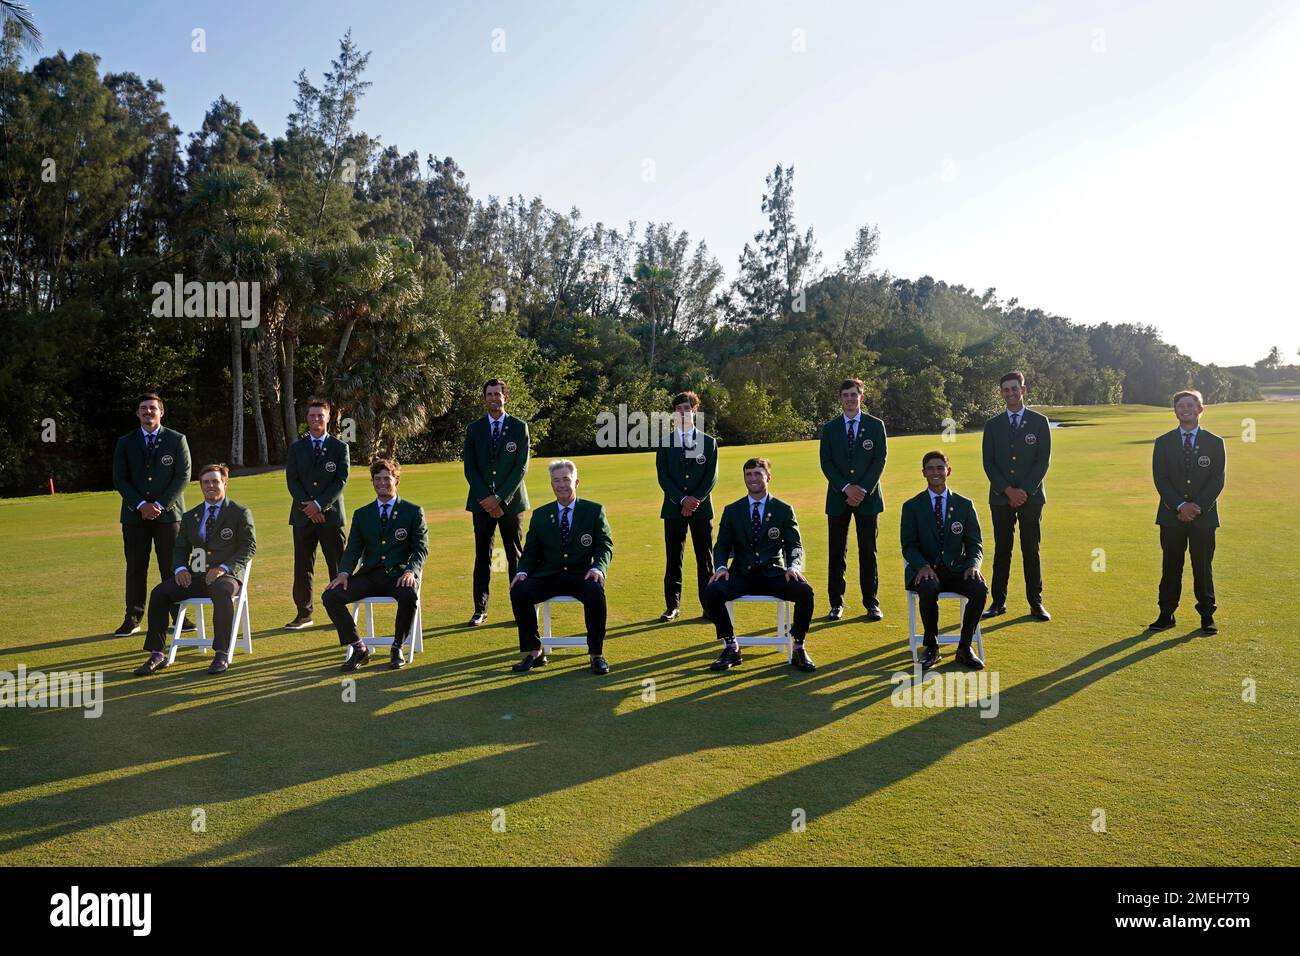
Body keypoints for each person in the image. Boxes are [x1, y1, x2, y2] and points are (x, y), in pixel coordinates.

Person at [133, 464, 256, 676]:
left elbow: (249, 547)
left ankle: (221, 653)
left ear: (224, 483)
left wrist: (223, 569)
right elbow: (180, 547)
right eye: (206, 482)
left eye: (215, 481)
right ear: (200, 486)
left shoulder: (239, 512)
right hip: (196, 576)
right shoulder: (191, 516)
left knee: (221, 591)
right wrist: (180, 568)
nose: (210, 486)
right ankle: (157, 653)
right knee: (160, 593)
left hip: (226, 577)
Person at [704, 458, 817, 673]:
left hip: (774, 574)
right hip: (741, 574)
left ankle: (799, 647)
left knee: (805, 592)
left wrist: (794, 566)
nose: (753, 478)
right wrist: (720, 567)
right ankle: (731, 646)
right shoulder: (732, 510)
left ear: (768, 477)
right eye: (748, 474)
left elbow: (795, 544)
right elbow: (721, 546)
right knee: (712, 591)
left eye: (757, 473)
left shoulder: (783, 509)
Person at [509, 460, 613, 675]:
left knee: (595, 592)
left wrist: (599, 568)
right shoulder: (540, 514)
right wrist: (522, 571)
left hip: (581, 575)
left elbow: (604, 546)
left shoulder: (594, 511)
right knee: (519, 590)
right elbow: (531, 551)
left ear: (576, 482)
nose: (561, 485)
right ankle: (535, 652)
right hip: (548, 576)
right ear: (551, 485)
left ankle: (596, 654)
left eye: (566, 479)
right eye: (556, 480)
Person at [322, 459, 428, 671]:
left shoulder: (413, 511)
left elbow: (421, 549)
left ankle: (397, 647)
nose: (381, 483)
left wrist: (411, 571)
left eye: (386, 478)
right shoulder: (363, 514)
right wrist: (343, 573)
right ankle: (359, 649)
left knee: (408, 595)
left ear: (396, 480)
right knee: (330, 596)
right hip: (369, 576)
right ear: (372, 482)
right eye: (377, 479)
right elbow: (353, 549)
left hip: (398, 575)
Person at [112, 392, 192, 638]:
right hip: (134, 517)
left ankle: (179, 616)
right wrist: (141, 505)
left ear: (161, 412)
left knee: (172, 567)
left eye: (153, 408)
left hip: (168, 516)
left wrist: (159, 504)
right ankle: (133, 618)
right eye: (144, 408)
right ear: (137, 413)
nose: (148, 412)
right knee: (136, 567)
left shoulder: (177, 439)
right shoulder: (125, 442)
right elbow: (120, 479)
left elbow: (183, 476)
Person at [900, 451, 987, 670]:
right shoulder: (912, 506)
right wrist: (922, 566)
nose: (936, 472)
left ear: (948, 470)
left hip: (957, 569)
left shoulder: (964, 505)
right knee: (928, 589)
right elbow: (908, 545)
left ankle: (964, 648)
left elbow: (975, 543)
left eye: (940, 468)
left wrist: (973, 565)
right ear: (923, 473)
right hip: (926, 570)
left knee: (979, 589)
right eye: (930, 468)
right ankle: (932, 647)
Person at [1149, 389, 1225, 634]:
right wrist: (1181, 507)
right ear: (1175, 411)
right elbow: (1161, 479)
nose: (1186, 409)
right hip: (1172, 517)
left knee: (1203, 567)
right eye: (1181, 406)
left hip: (1204, 518)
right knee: (1171, 566)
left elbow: (1217, 481)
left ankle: (1206, 616)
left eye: (1191, 405)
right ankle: (1166, 614)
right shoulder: (1163, 442)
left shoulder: (1215, 442)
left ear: (1200, 409)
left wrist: (1196, 507)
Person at [981, 371, 1052, 621]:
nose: (1011, 393)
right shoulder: (992, 425)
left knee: (1031, 549)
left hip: (1031, 498)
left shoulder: (1039, 422)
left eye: (1015, 388)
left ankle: (1036, 603)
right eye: (1006, 390)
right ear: (1001, 393)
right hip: (1001, 498)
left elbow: (1042, 461)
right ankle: (998, 602)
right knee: (1002, 550)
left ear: (1024, 390)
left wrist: (1024, 491)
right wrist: (1008, 490)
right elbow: (988, 462)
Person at [464, 378, 531, 626]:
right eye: (489, 394)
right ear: (485, 398)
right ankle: (480, 609)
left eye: (498, 394)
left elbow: (520, 468)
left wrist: (500, 498)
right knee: (482, 555)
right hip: (481, 504)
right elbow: (470, 468)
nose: (494, 398)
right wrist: (487, 500)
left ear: (506, 397)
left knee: (515, 556)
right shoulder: (474, 429)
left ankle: (520, 608)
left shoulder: (519, 427)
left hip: (511, 504)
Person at [819, 378, 887, 621]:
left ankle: (871, 603)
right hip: (839, 498)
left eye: (853, 395)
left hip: (868, 499)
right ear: (840, 398)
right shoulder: (830, 428)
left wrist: (862, 490)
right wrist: (847, 488)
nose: (849, 399)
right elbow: (826, 462)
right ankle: (836, 603)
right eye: (845, 395)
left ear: (861, 397)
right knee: (837, 552)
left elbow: (879, 461)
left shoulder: (876, 425)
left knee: (869, 551)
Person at [284, 398, 350, 629]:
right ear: (307, 418)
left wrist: (320, 505)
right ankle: (304, 614)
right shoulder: (296, 448)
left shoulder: (340, 447)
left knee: (338, 565)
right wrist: (309, 508)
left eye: (320, 415)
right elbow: (292, 480)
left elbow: (340, 480)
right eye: (312, 415)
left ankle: (339, 613)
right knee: (303, 566)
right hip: (303, 517)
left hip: (331, 517)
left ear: (328, 417)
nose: (316, 419)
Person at [655, 390, 718, 622]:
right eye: (678, 409)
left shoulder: (708, 442)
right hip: (673, 509)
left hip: (701, 509)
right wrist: (682, 501)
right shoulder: (664, 444)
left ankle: (709, 606)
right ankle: (672, 606)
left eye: (687, 408)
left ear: (695, 411)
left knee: (705, 559)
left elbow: (711, 477)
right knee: (673, 558)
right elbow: (664, 478)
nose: (683, 412)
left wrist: (693, 501)